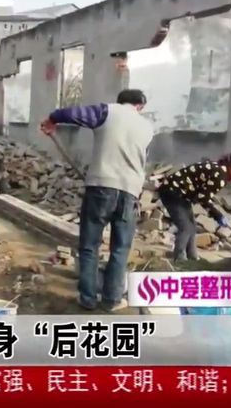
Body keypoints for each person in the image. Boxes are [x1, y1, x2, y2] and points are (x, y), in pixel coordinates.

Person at [40, 89, 154, 311]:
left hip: (101, 187)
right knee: (120, 249)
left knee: (89, 246)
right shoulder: (148, 127)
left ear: (119, 101)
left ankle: (88, 298)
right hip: (130, 192)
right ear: (140, 106)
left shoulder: (106, 111)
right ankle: (112, 300)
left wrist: (52, 120)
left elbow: (72, 114)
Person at [158, 154, 231, 261]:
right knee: (186, 227)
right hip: (172, 193)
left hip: (183, 195)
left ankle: (192, 256)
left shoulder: (220, 172)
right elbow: (203, 198)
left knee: (192, 226)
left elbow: (204, 195)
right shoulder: (220, 175)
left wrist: (217, 215)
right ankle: (180, 258)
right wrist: (217, 215)